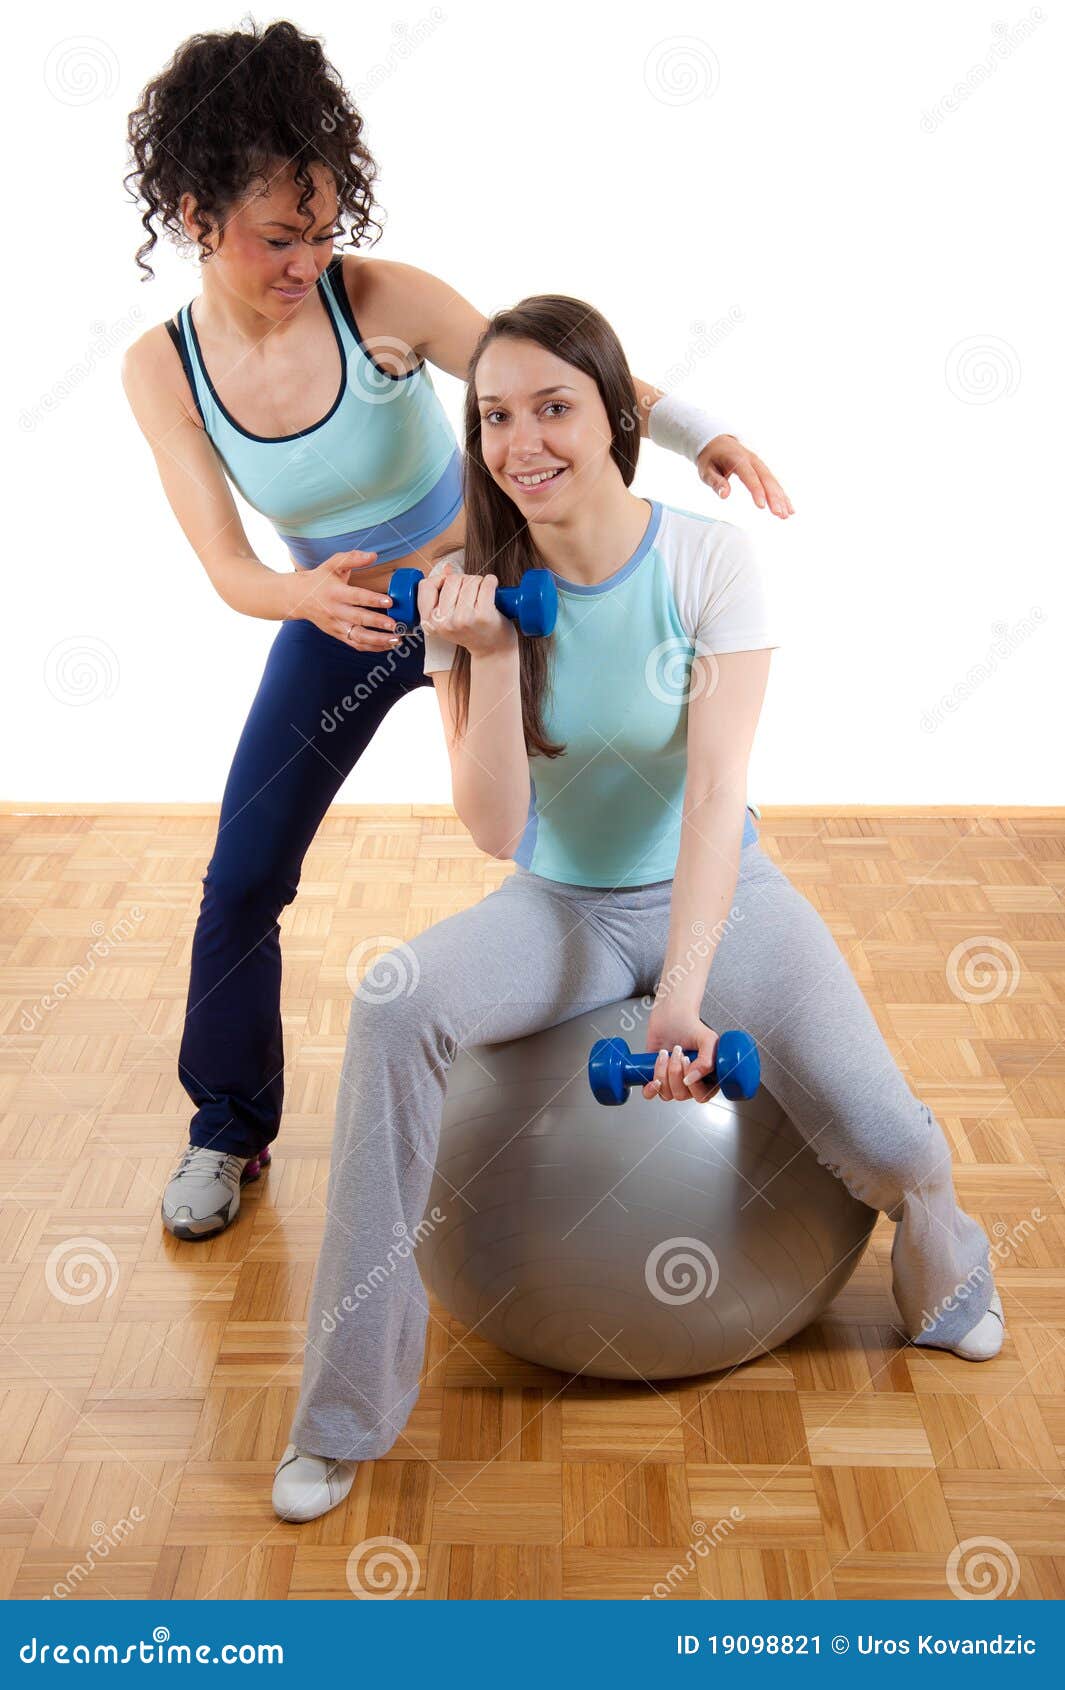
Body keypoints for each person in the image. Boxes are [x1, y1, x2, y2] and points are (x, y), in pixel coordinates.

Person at [272, 294, 1003, 1524]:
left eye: (553, 407)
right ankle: (340, 1416)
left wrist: (681, 993)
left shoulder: (708, 560)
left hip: (717, 891)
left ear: (618, 417)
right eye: (495, 415)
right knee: (392, 1003)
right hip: (558, 903)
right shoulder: (467, 586)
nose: (523, 442)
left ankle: (940, 1240)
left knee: (891, 1141)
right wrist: (489, 659)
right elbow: (498, 832)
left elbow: (717, 797)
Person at [120, 19, 792, 1241]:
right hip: (338, 615)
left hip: (492, 589)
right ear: (194, 213)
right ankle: (227, 1125)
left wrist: (704, 433)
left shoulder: (377, 299)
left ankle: (689, 999)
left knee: (571, 822)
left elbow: (553, 375)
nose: (308, 260)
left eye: (326, 228)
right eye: (280, 236)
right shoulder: (161, 371)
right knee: (242, 876)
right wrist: (307, 597)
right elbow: (225, 562)